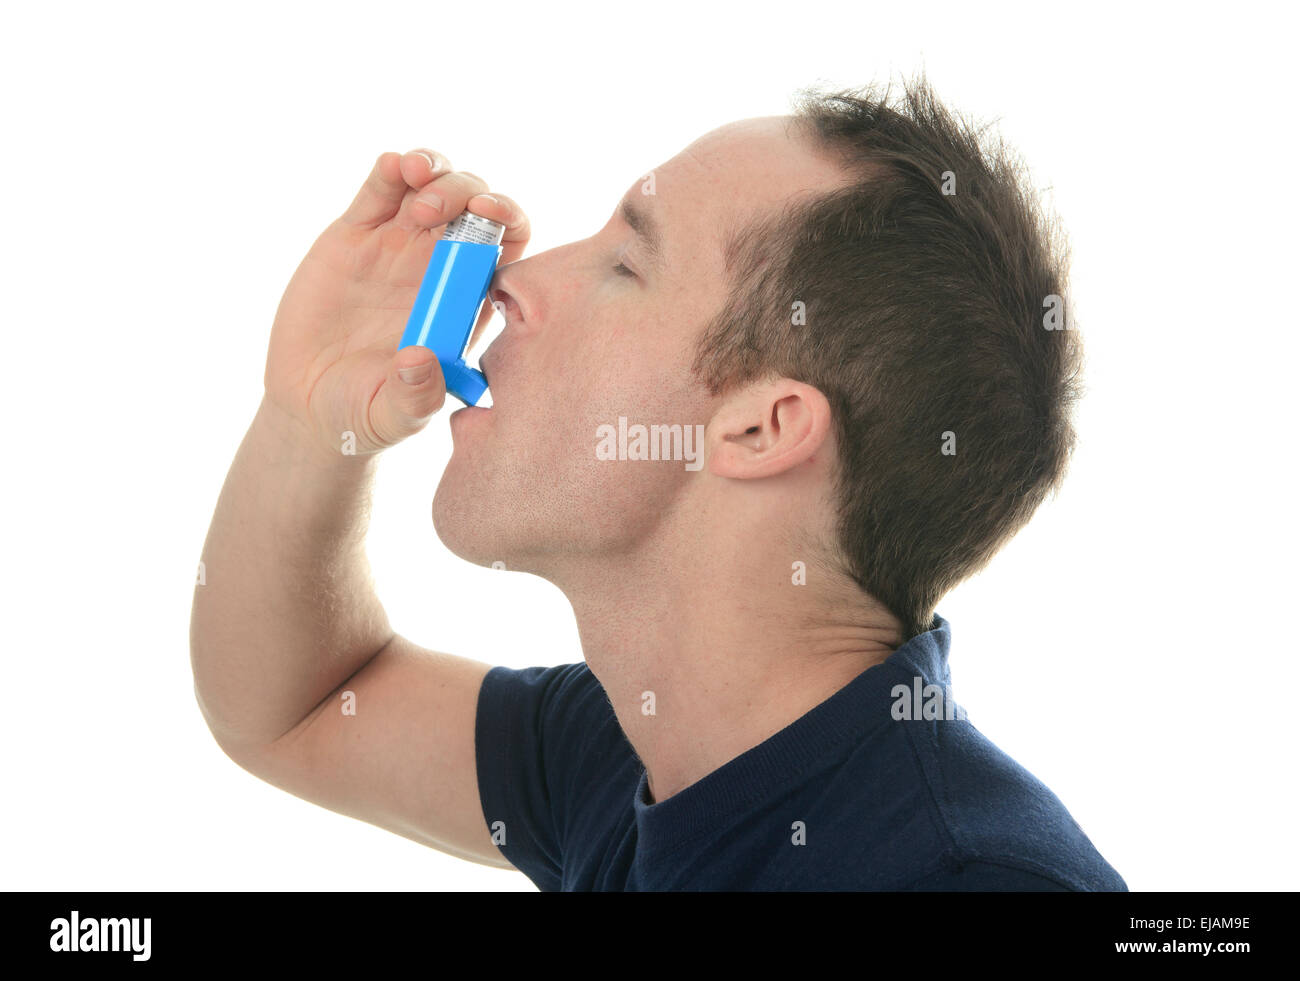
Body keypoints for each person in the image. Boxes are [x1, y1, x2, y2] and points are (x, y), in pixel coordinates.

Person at [191, 75, 1126, 891]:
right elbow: (297, 706)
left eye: (626, 264)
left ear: (762, 427)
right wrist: (311, 424)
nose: (513, 278)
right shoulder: (627, 758)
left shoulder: (970, 880)